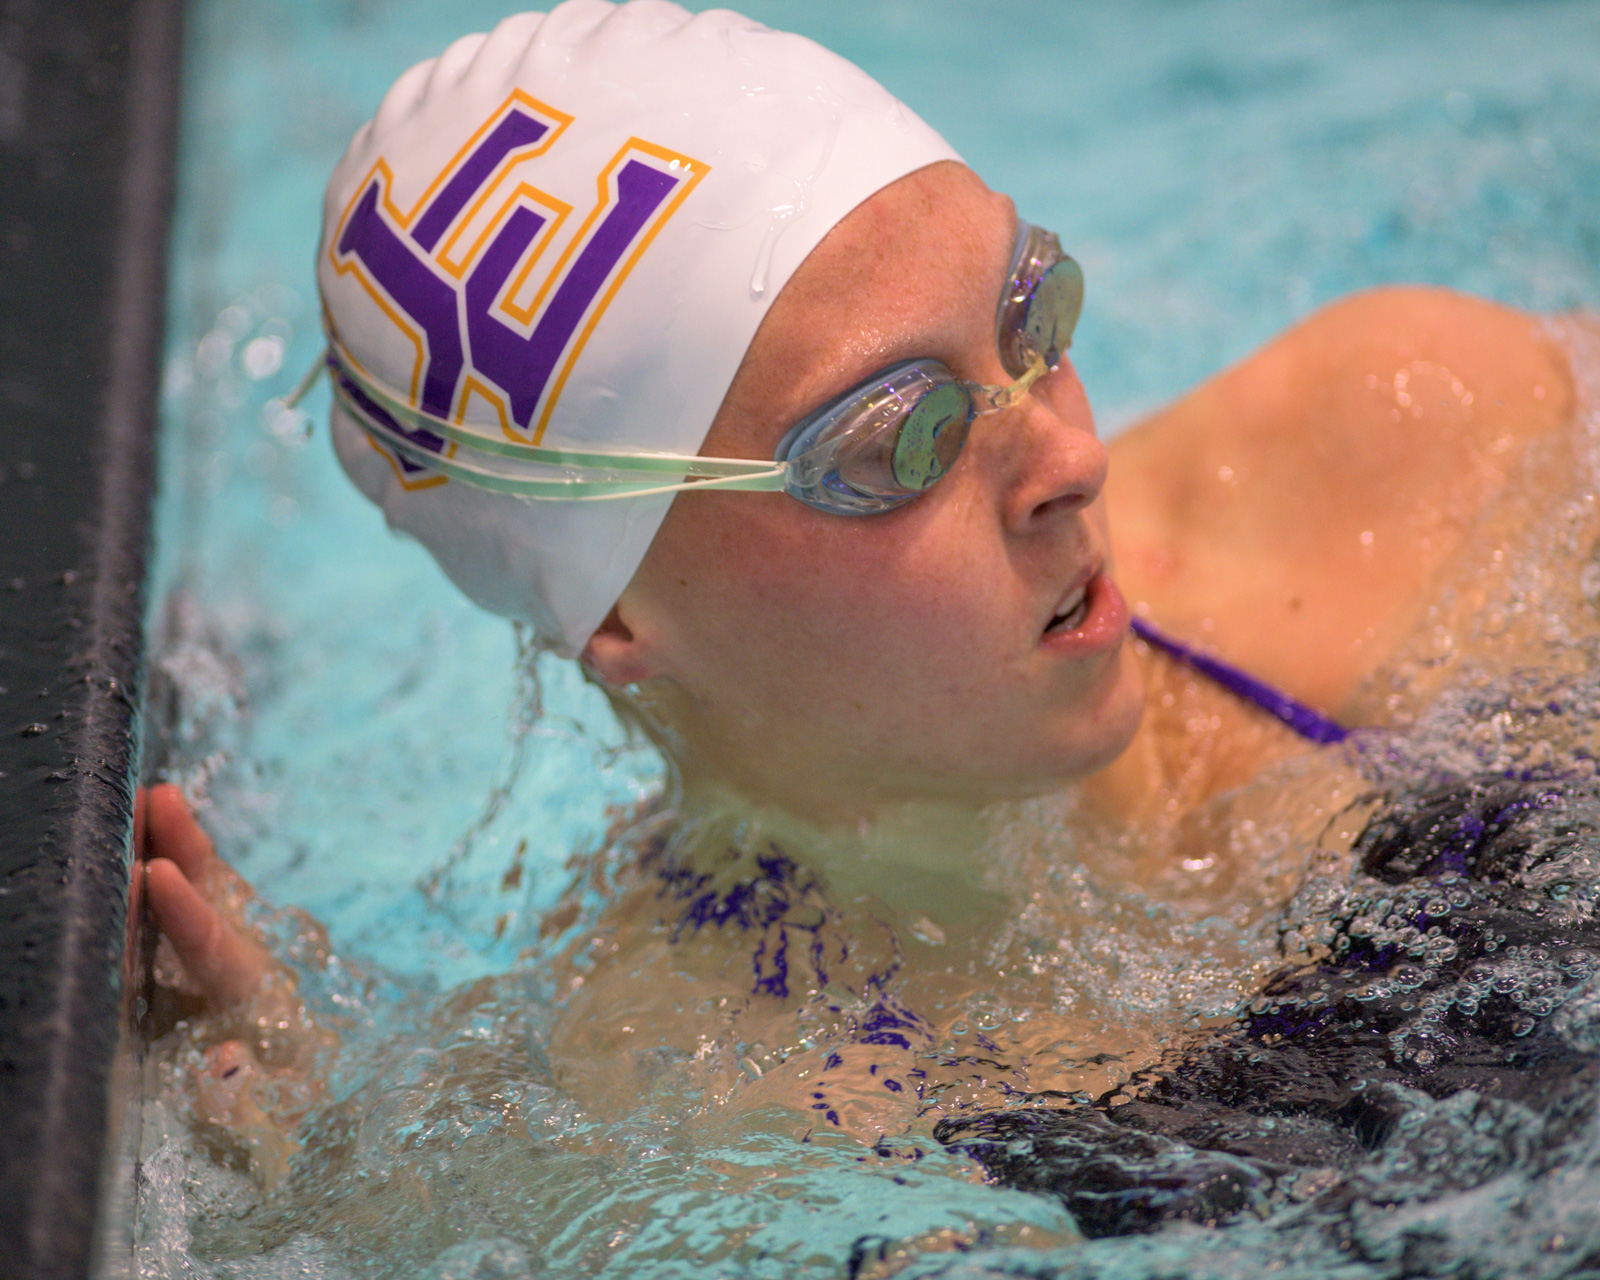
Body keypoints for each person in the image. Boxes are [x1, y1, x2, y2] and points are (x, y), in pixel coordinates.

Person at [141, 0, 1588, 1192]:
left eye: (1036, 311)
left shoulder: (1423, 455)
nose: (1069, 458)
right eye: (902, 440)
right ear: (622, 624)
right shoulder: (685, 1090)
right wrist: (324, 1176)